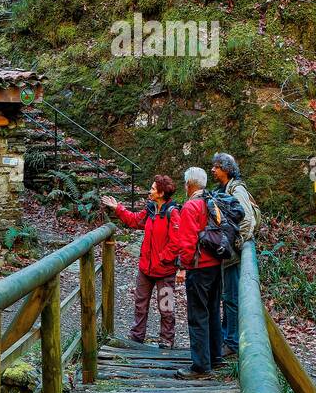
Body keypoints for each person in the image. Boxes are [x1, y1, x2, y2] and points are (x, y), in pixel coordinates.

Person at [101, 175, 179, 348]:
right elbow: (135, 220)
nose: (149, 191)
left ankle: (167, 341)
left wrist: (162, 259)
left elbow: (176, 243)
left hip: (164, 271)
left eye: (152, 188)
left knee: (166, 307)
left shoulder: (172, 213)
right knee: (140, 304)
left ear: (161, 192)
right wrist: (117, 208)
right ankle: (136, 338)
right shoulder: (151, 209)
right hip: (146, 268)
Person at [167, 167, 223, 379]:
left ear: (189, 184)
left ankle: (200, 366)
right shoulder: (212, 201)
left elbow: (187, 241)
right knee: (212, 311)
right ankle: (215, 357)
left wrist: (183, 267)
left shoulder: (191, 206)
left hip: (199, 267)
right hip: (216, 264)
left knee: (198, 315)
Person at [211, 153, 258, 359]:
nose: (213, 170)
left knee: (231, 298)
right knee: (226, 297)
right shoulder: (222, 189)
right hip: (224, 254)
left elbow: (247, 219)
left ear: (227, 169)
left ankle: (232, 342)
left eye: (217, 167)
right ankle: (225, 338)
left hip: (233, 255)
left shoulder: (236, 189)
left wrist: (236, 243)